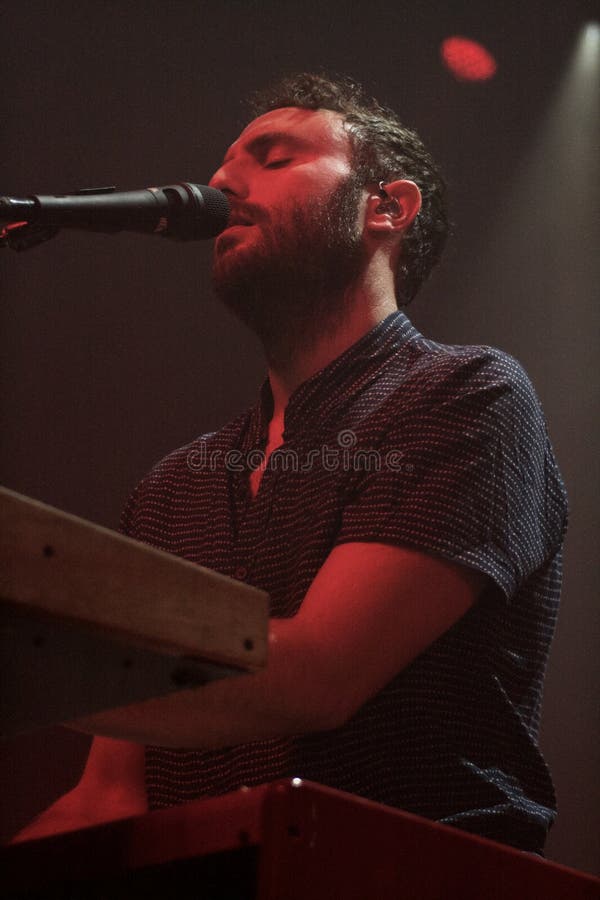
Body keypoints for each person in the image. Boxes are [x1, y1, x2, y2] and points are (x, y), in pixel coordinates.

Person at [14, 73, 567, 853]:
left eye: (272, 155)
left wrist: (21, 670)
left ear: (387, 207)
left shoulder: (468, 394)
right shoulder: (176, 485)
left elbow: (316, 676)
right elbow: (109, 792)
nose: (219, 183)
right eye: (223, 164)